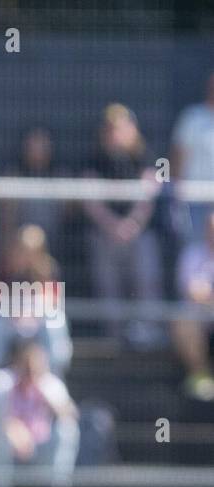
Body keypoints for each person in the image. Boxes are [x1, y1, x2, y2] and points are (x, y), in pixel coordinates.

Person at [82, 103, 165, 350]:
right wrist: (113, 225)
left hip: (140, 233)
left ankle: (148, 330)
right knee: (108, 284)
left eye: (120, 127)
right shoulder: (95, 158)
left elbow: (150, 192)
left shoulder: (147, 155)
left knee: (146, 279)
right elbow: (90, 198)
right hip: (104, 234)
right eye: (110, 128)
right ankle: (114, 337)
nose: (115, 133)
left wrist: (131, 224)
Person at [0, 339, 80, 487]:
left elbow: (71, 414)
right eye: (27, 364)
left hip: (40, 448)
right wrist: (12, 428)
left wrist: (51, 401)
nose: (31, 370)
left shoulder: (49, 383)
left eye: (37, 364)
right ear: (18, 361)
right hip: (9, 448)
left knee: (67, 429)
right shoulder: (2, 380)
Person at [0, 224, 72, 377]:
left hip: (36, 318)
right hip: (8, 318)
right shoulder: (4, 268)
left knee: (55, 322)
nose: (25, 256)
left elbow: (53, 299)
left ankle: (54, 376)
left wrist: (31, 314)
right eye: (22, 250)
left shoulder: (48, 269)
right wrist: (15, 314)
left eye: (30, 252)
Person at [174, 209, 214, 401]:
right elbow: (193, 291)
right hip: (200, 317)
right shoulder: (192, 254)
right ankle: (200, 375)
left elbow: (203, 292)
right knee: (183, 321)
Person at [171, 70, 214, 240]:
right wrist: (176, 196)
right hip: (194, 199)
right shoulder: (192, 117)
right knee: (195, 249)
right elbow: (177, 158)